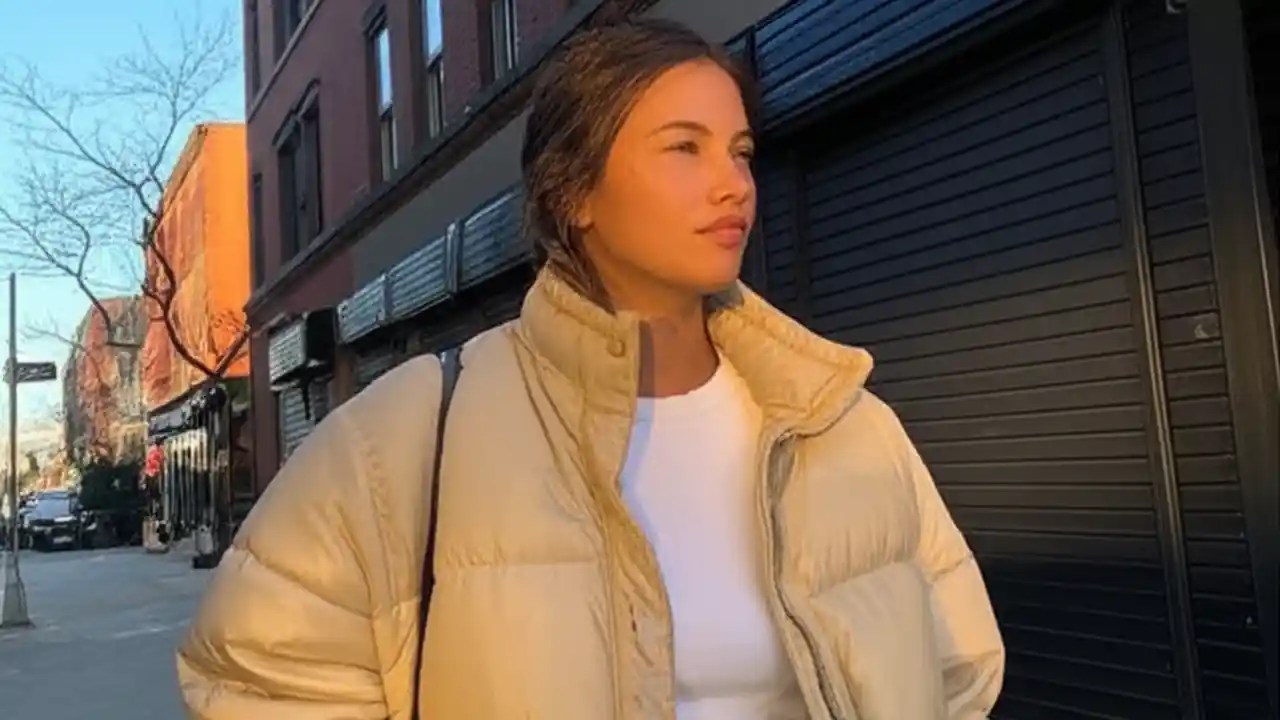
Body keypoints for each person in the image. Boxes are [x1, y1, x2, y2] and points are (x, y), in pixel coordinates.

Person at [176, 18, 1004, 720]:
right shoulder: (409, 433)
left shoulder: (842, 421)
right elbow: (254, 674)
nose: (734, 185)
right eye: (685, 148)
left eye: (742, 151)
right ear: (574, 191)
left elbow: (962, 664)